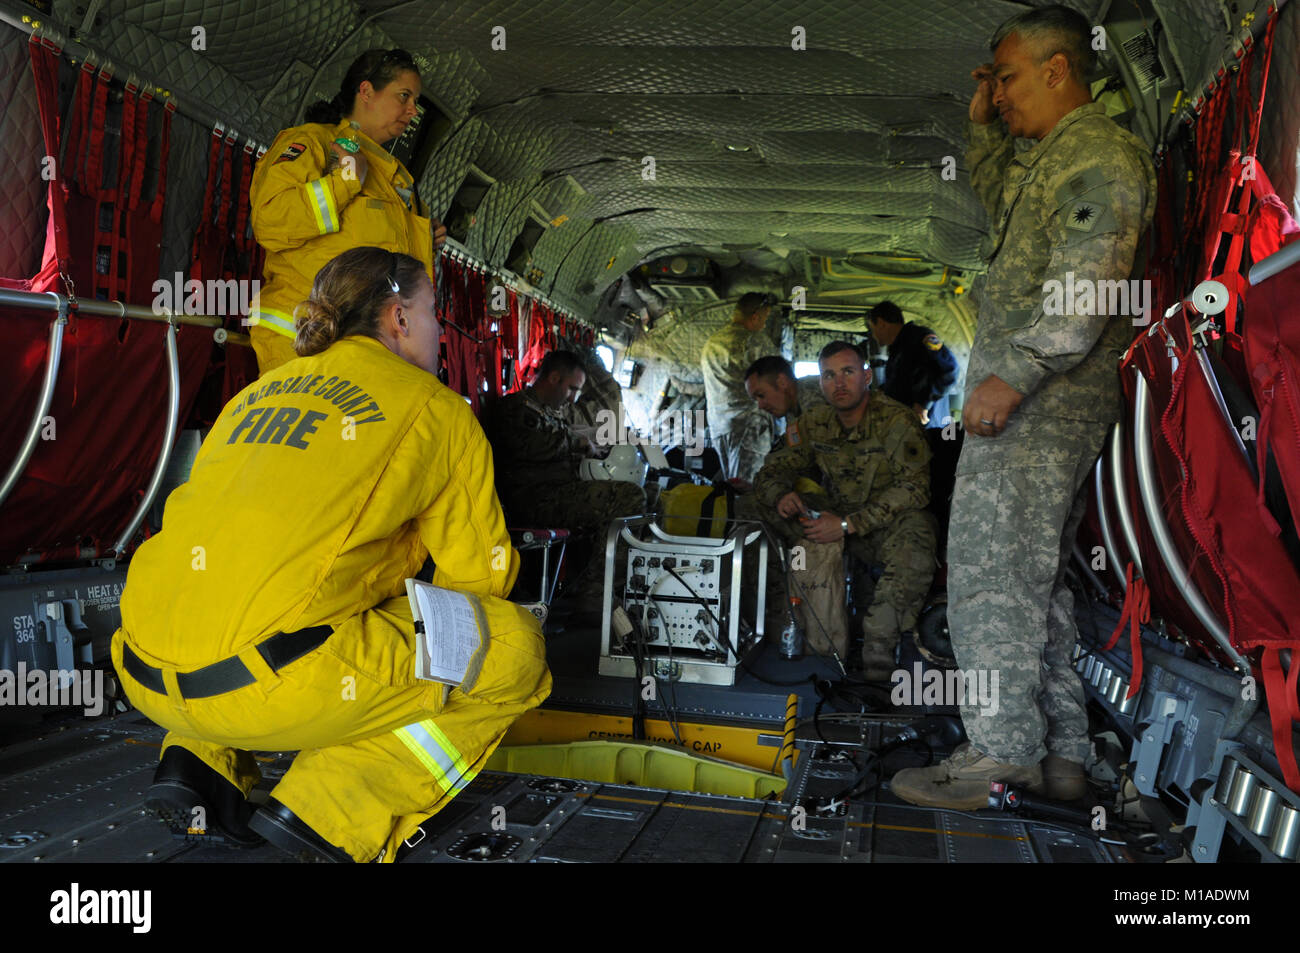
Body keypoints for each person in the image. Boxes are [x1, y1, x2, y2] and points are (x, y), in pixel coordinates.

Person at [113, 247, 550, 862]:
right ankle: (331, 807)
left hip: (144, 667)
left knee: (239, 594)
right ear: (398, 318)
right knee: (511, 649)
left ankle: (197, 769)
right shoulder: (436, 410)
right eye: (431, 312)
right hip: (271, 686)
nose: (436, 330)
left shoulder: (255, 396)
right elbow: (479, 582)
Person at [890, 5, 1156, 809]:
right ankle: (1058, 758)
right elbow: (1001, 194)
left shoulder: (1100, 154)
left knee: (990, 572)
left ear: (1056, 69)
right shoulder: (1052, 158)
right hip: (1039, 396)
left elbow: (1093, 276)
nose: (998, 93)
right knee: (1035, 586)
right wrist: (982, 129)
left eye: (1006, 78)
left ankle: (999, 754)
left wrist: (1020, 370)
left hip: (1044, 398)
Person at [249, 48, 447, 374]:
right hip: (305, 344)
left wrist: (425, 236)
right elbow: (270, 220)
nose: (413, 110)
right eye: (404, 96)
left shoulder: (396, 179)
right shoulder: (313, 143)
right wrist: (344, 181)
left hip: (368, 354)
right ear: (366, 91)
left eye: (415, 101)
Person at [754, 341, 936, 678]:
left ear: (866, 376)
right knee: (754, 506)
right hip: (833, 519)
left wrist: (846, 525)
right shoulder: (814, 422)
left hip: (884, 526)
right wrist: (781, 494)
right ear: (819, 383)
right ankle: (775, 621)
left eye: (848, 372)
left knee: (919, 532)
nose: (839, 383)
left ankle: (877, 662)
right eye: (829, 376)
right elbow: (771, 470)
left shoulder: (896, 421)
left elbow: (915, 488)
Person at [485, 349, 646, 588]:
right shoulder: (516, 408)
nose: (573, 398)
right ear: (553, 378)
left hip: (558, 493)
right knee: (629, 497)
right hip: (534, 500)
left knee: (648, 492)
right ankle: (597, 593)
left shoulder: (547, 413)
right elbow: (534, 445)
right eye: (572, 389)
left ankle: (624, 582)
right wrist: (579, 442)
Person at [700, 292, 780, 485]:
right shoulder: (754, 342)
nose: (763, 324)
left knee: (731, 485)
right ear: (755, 316)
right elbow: (778, 378)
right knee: (748, 489)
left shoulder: (711, 343)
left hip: (719, 426)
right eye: (765, 318)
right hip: (749, 426)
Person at [866, 300, 959, 427]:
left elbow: (950, 369)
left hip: (930, 426)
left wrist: (924, 403)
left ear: (882, 324)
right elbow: (903, 384)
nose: (874, 335)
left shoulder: (920, 337)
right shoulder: (898, 348)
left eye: (873, 329)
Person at [743, 355, 828, 451]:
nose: (760, 406)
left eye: (761, 395)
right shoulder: (790, 408)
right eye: (755, 399)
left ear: (782, 382)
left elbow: (822, 451)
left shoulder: (813, 394)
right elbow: (797, 448)